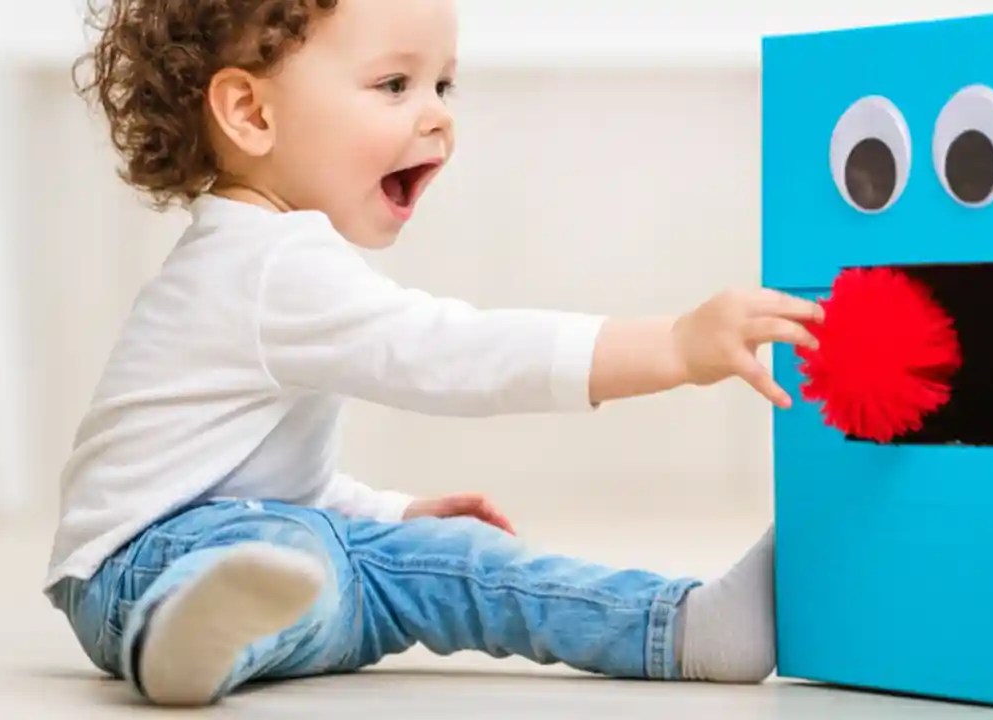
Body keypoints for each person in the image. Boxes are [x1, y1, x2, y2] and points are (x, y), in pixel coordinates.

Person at [44, 0, 824, 706]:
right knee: (294, 553)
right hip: (136, 567)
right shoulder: (269, 263)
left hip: (217, 550)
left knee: (447, 561)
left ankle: (683, 628)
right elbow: (455, 353)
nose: (438, 118)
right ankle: (186, 622)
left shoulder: (272, 258)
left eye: (443, 87)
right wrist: (675, 347)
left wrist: (392, 513)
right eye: (394, 86)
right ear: (251, 112)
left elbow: (249, 470)